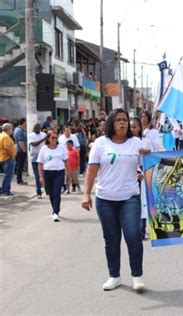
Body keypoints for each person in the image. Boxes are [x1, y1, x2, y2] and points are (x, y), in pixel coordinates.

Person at [82, 109, 150, 292]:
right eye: (119, 120)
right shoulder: (100, 143)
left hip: (130, 198)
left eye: (125, 120)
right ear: (111, 122)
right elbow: (92, 170)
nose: (123, 123)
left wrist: (147, 157)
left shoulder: (137, 143)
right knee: (111, 239)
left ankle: (137, 276)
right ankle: (114, 276)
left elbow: (149, 167)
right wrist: (86, 194)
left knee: (133, 235)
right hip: (105, 200)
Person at [38, 131, 70, 222]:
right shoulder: (44, 149)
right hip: (48, 173)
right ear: (48, 139)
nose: (55, 139)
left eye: (56, 138)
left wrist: (69, 173)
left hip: (59, 173)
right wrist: (41, 177)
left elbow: (66, 161)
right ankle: (54, 210)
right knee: (51, 194)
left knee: (57, 193)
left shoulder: (61, 149)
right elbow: (40, 164)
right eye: (53, 138)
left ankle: (56, 212)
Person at [130, 117, 152, 240]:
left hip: (144, 174)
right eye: (131, 127)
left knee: (143, 202)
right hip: (131, 175)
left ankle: (141, 230)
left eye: (135, 127)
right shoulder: (126, 142)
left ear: (139, 128)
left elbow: (152, 157)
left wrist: (148, 152)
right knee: (134, 204)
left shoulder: (146, 142)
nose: (132, 129)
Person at [28, 123, 46, 198]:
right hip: (35, 158)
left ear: (40, 128)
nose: (36, 129)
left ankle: (47, 189)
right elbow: (34, 144)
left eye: (38, 128)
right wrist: (43, 139)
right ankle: (38, 191)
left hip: (44, 158)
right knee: (37, 175)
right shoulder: (31, 135)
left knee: (45, 174)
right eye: (35, 128)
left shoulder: (43, 134)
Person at [0, 123, 16, 196]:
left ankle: (6, 190)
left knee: (8, 175)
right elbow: (6, 147)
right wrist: (12, 156)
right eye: (11, 128)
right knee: (8, 175)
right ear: (8, 129)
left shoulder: (2, 135)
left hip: (5, 158)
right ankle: (5, 191)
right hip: (8, 158)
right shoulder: (6, 137)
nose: (12, 130)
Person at [13, 118, 28, 185]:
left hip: (18, 150)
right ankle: (19, 180)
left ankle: (19, 179)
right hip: (20, 151)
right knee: (20, 166)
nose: (27, 123)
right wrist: (24, 150)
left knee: (19, 166)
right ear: (23, 122)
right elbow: (20, 141)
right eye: (26, 122)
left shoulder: (18, 129)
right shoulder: (19, 130)